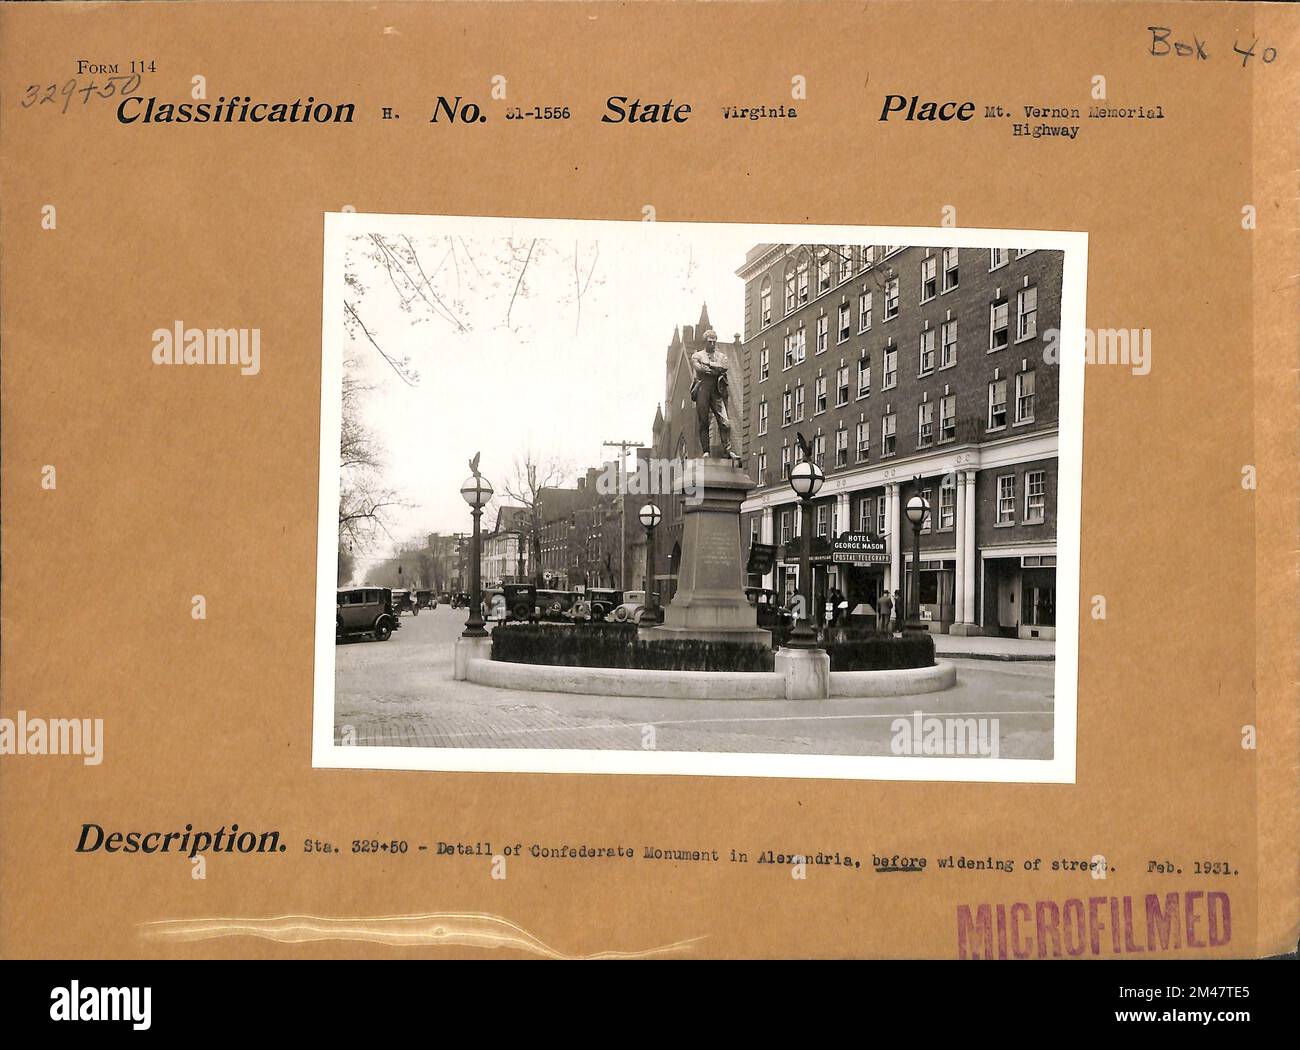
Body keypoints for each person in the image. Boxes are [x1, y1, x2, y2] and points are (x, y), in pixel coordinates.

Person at [689, 329, 739, 460]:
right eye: (709, 341)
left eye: (714, 341)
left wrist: (709, 364)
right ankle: (706, 451)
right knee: (703, 421)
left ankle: (728, 450)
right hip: (702, 389)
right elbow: (699, 369)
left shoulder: (722, 356)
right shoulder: (697, 355)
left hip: (717, 390)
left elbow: (724, 367)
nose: (712, 344)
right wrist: (714, 369)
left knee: (725, 422)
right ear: (705, 342)